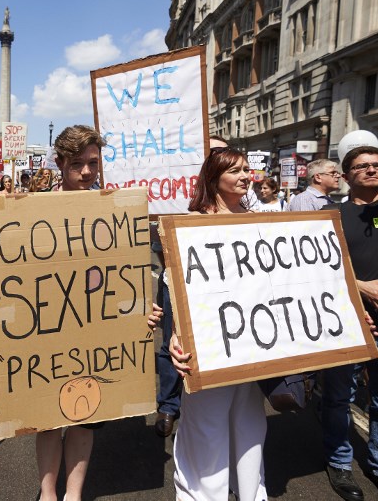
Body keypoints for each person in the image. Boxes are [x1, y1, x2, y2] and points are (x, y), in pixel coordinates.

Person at [0, 125, 106, 501]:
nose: (86, 172)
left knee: (86, 416)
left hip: (93, 326)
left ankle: (73, 494)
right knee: (49, 419)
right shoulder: (29, 209)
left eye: (93, 163)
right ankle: (48, 493)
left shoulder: (111, 207)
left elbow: (123, 271)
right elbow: (10, 269)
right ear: (60, 163)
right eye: (78, 164)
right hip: (45, 329)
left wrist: (138, 313)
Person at [152, 147, 268, 500]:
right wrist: (175, 333)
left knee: (250, 422)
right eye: (235, 171)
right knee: (206, 424)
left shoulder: (259, 220)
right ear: (214, 178)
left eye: (247, 169)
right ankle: (203, 494)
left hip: (252, 338)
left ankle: (251, 492)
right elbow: (175, 283)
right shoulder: (192, 223)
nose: (245, 176)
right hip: (209, 341)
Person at [321, 145, 378, 500]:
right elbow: (314, 271)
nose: (372, 170)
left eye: (377, 164)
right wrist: (358, 287)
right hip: (345, 323)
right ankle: (340, 463)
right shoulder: (331, 216)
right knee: (338, 398)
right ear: (346, 177)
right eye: (362, 166)